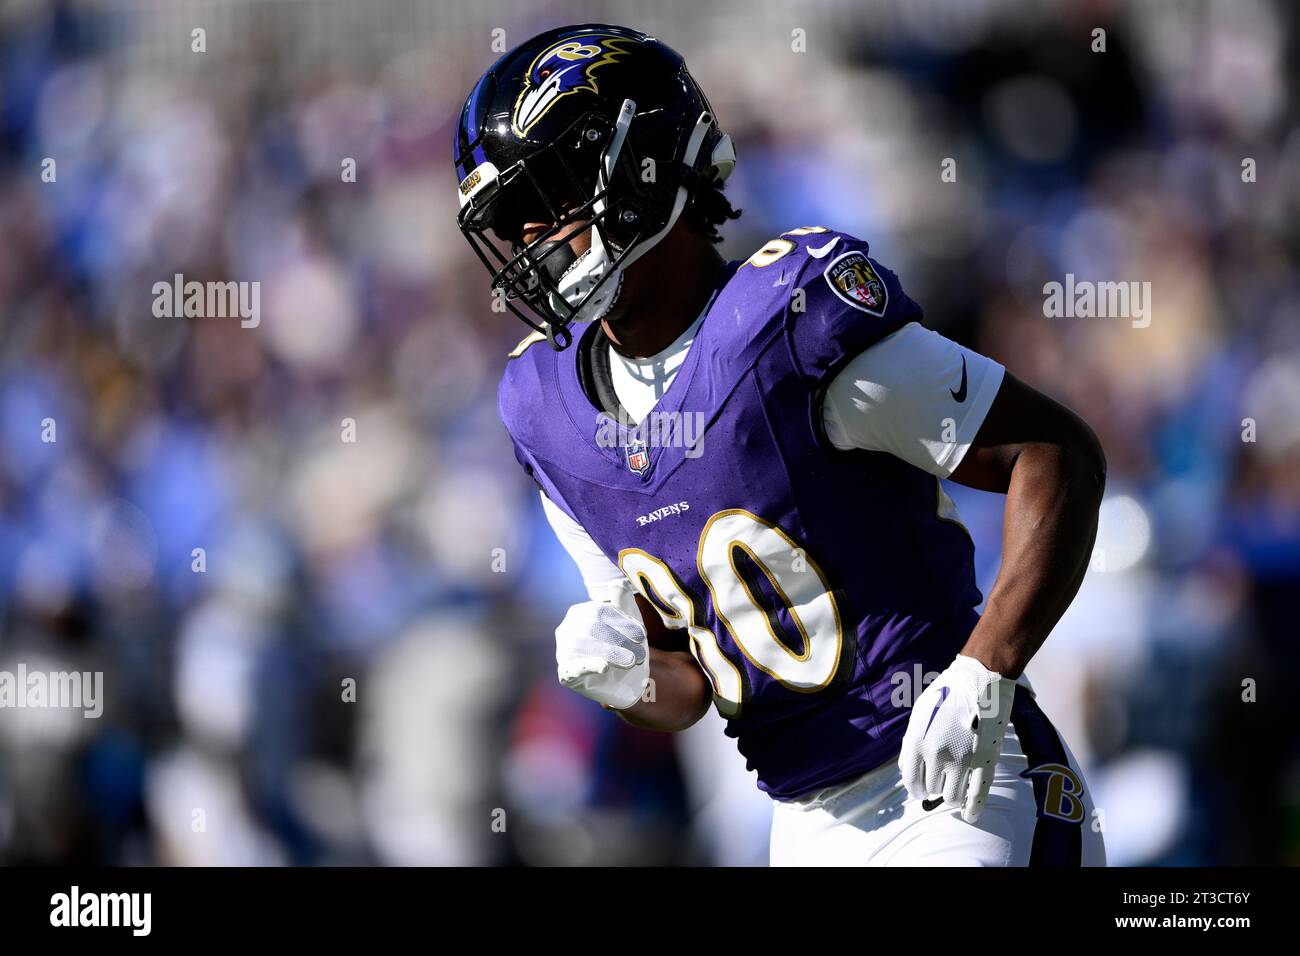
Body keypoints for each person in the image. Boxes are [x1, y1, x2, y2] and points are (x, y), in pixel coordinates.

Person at [453, 23, 1107, 865]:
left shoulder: (789, 326)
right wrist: (629, 681)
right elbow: (688, 683)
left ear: (640, 168)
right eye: (513, 218)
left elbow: (1054, 454)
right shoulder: (544, 409)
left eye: (550, 196)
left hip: (957, 789)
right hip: (799, 824)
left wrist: (987, 666)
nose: (532, 236)